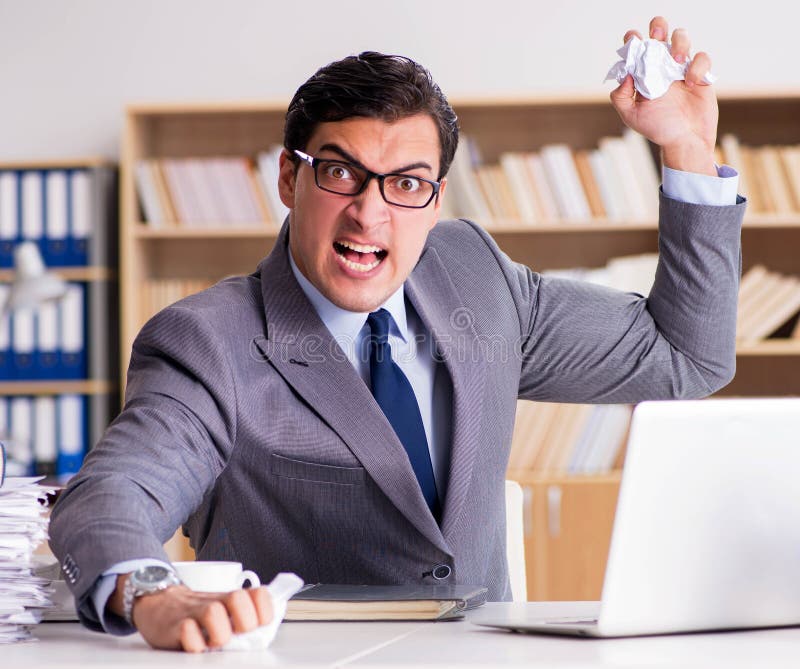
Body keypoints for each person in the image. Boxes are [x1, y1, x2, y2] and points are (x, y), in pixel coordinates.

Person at [50, 16, 745, 652]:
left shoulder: (476, 277)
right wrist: (154, 593)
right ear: (289, 178)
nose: (369, 213)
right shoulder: (210, 341)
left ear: (436, 200)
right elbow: (114, 491)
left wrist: (687, 148)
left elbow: (684, 355)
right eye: (340, 173)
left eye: (407, 184)